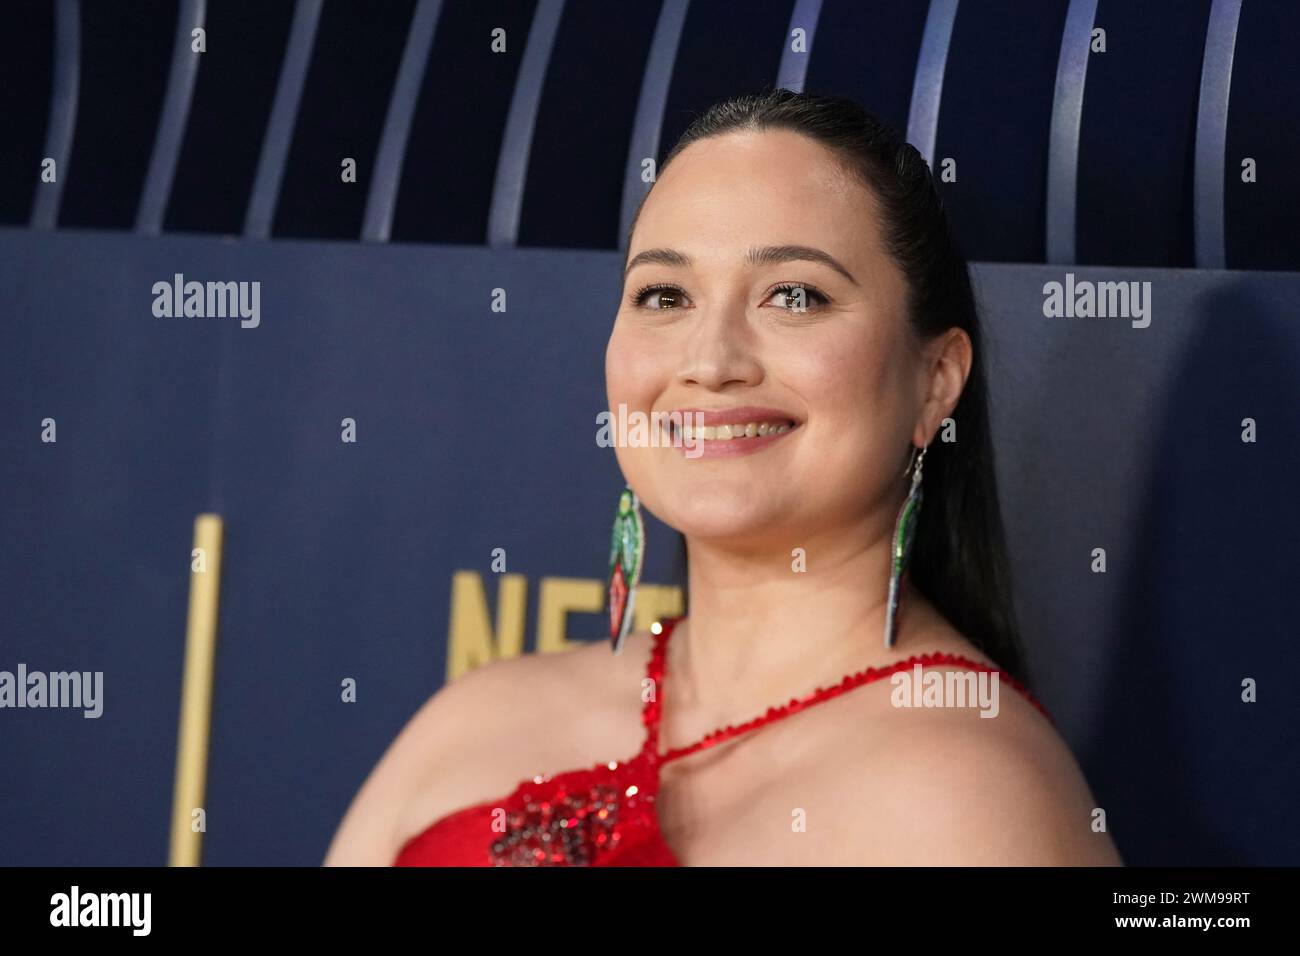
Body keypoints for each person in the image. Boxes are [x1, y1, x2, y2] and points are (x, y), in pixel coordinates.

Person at [324, 88, 1124, 866]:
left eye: (795, 296)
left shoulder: (969, 796)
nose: (710, 362)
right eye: (664, 295)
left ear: (935, 379)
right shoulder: (476, 720)